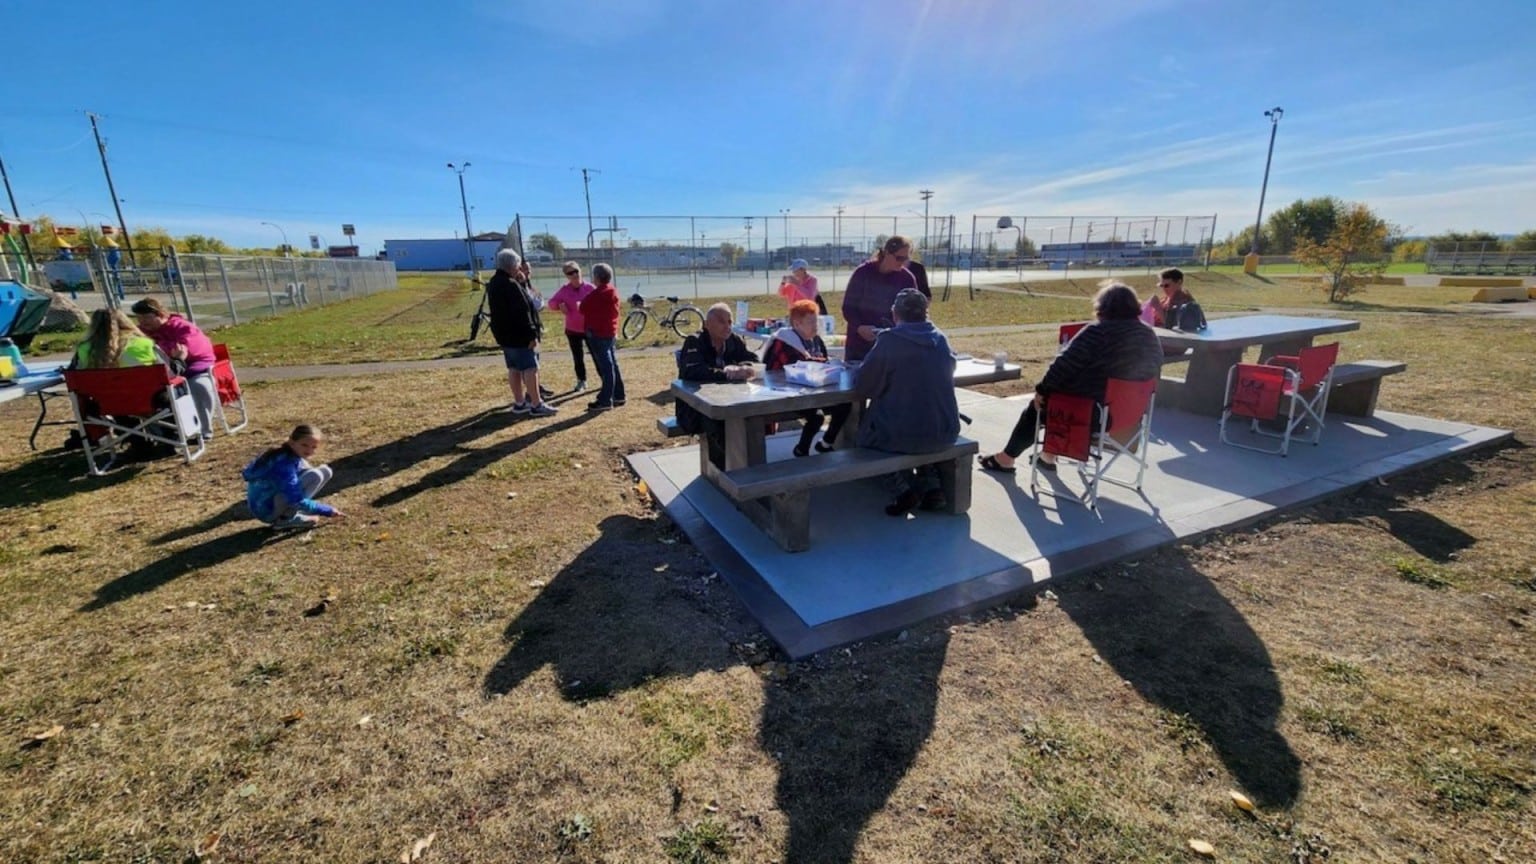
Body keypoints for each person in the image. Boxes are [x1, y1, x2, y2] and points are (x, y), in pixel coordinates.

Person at [979, 282, 1163, 474]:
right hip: (1130, 419)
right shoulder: (1149, 335)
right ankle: (1047, 456)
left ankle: (1006, 459)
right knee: (1060, 400)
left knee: (1038, 406)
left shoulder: (1097, 332)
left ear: (1103, 307)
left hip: (1093, 416)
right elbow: (1155, 372)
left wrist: (1042, 390)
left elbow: (1062, 367)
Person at [853, 288, 961, 516]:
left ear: (895, 314)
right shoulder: (940, 339)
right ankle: (933, 487)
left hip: (903, 434)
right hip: (945, 430)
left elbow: (864, 386)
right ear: (926, 313)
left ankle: (902, 490)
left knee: (864, 437)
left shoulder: (889, 341)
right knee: (922, 417)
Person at [763, 299, 850, 457]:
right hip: (785, 394)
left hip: (814, 391)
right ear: (797, 324)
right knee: (817, 417)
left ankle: (826, 443)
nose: (816, 325)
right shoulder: (783, 341)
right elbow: (798, 366)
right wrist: (831, 363)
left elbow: (823, 363)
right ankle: (802, 450)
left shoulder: (816, 340)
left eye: (816, 320)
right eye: (811, 322)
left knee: (845, 405)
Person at [677, 303, 758, 468]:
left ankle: (749, 466)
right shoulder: (694, 341)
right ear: (707, 324)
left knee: (754, 417)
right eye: (722, 321)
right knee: (717, 422)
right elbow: (694, 372)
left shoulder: (733, 340)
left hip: (730, 401)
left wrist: (744, 367)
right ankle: (723, 468)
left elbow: (753, 359)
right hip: (696, 407)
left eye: (730, 321)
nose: (727, 326)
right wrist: (727, 373)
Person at [131, 297, 217, 442]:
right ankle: (162, 436)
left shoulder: (182, 327)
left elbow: (190, 348)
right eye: (139, 318)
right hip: (158, 373)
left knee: (198, 386)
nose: (143, 322)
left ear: (161, 314)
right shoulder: (139, 332)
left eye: (147, 317)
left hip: (193, 369)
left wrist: (162, 350)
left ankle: (202, 430)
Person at [486, 249, 557, 417]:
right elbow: (522, 311)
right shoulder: (510, 285)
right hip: (519, 335)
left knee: (514, 368)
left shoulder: (495, 282)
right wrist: (531, 334)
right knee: (530, 368)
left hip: (505, 335)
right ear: (513, 265)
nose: (520, 268)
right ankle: (536, 404)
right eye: (518, 265)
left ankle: (519, 402)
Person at [242, 424, 344, 530]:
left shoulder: (293, 455)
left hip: (274, 500)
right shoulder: (284, 464)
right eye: (304, 445)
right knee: (315, 475)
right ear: (292, 442)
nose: (309, 450)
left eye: (313, 447)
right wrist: (327, 510)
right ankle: (286, 518)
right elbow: (295, 498)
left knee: (325, 471)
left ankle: (294, 511)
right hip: (267, 509)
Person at [842, 235, 918, 362]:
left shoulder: (907, 278)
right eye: (899, 258)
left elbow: (914, 312)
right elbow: (848, 307)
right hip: (860, 345)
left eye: (906, 258)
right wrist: (859, 327)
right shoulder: (863, 273)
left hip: (893, 345)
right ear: (887, 253)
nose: (902, 262)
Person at [578, 262, 625, 411]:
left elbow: (583, 307)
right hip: (609, 332)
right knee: (612, 364)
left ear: (597, 277)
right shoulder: (612, 291)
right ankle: (618, 394)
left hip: (598, 333)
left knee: (607, 367)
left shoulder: (597, 293)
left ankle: (605, 400)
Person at [547, 261, 596, 391]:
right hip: (573, 329)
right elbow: (551, 303)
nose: (574, 274)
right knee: (577, 357)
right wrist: (559, 306)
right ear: (566, 276)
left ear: (580, 270)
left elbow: (601, 302)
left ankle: (605, 379)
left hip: (590, 328)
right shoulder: (564, 290)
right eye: (570, 273)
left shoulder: (590, 288)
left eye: (576, 271)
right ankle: (582, 380)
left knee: (597, 354)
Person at [71, 308, 159, 369]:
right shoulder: (145, 343)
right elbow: (167, 372)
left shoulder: (84, 348)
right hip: (145, 392)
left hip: (102, 394)